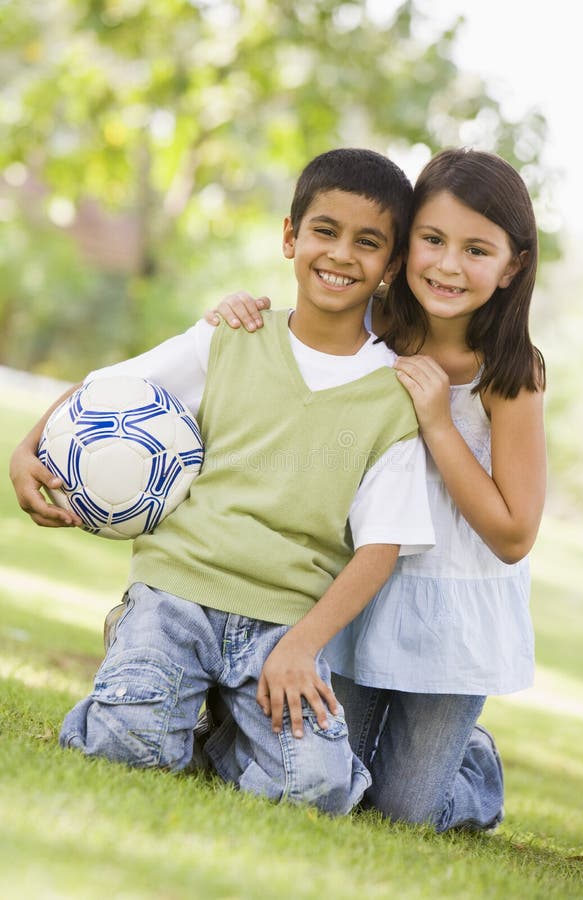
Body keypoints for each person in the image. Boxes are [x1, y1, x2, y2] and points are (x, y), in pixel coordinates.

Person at [9, 148, 436, 816]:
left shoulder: (393, 396)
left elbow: (380, 549)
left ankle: (213, 730)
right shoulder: (230, 336)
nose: (342, 255)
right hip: (175, 593)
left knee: (316, 790)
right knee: (129, 749)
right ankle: (145, 673)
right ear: (291, 236)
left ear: (390, 267)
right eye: (325, 231)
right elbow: (113, 390)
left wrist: (302, 646)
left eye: (369, 242)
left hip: (281, 625)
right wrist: (27, 447)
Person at [204, 147, 547, 832]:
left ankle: (469, 765)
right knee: (341, 781)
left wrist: (440, 424)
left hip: (454, 611)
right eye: (432, 240)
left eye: (477, 250)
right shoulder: (375, 330)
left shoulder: (511, 373)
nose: (448, 265)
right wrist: (239, 310)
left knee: (406, 811)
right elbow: (293, 343)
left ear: (512, 266)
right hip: (359, 590)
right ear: (403, 245)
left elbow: (513, 535)